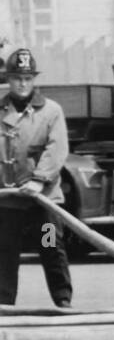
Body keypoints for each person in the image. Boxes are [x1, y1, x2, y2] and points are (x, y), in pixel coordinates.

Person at [0, 48, 72, 308]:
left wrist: (39, 180)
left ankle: (63, 301)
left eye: (28, 78)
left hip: (43, 201)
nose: (22, 83)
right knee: (5, 253)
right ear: (8, 79)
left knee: (51, 247)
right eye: (17, 77)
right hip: (8, 202)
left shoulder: (51, 111)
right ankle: (4, 307)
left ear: (34, 80)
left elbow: (57, 148)